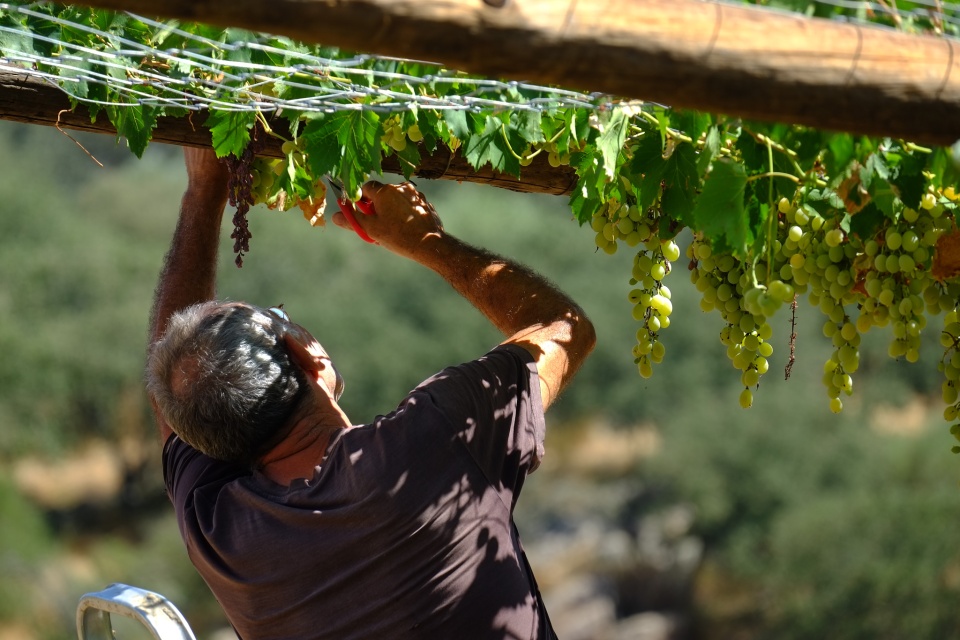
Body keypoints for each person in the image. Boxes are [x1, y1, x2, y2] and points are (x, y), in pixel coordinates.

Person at [146, 147, 596, 640]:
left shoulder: (219, 533)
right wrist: (426, 240)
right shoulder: (430, 443)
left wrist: (203, 192)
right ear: (305, 356)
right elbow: (563, 329)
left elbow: (174, 392)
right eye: (281, 316)